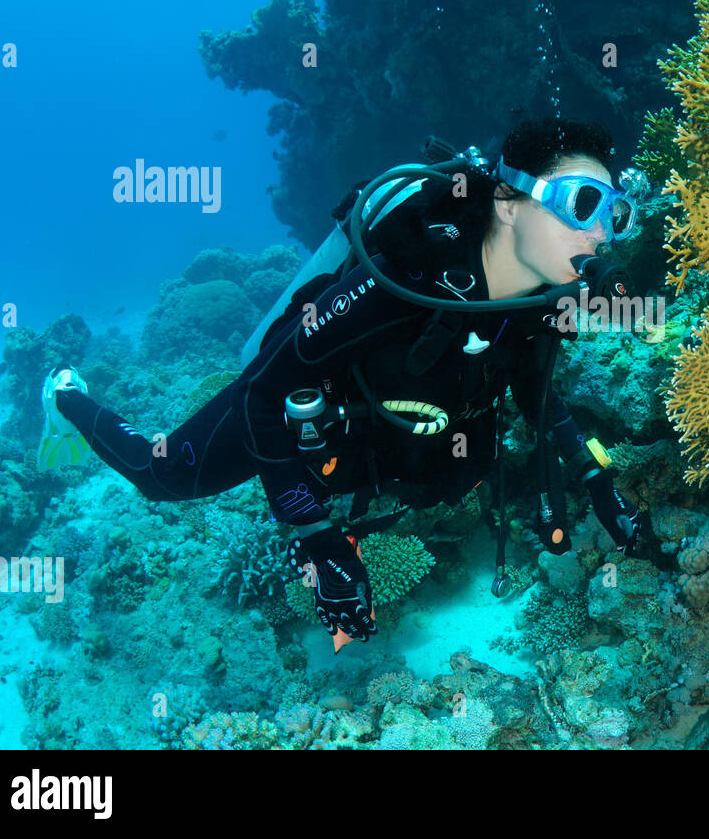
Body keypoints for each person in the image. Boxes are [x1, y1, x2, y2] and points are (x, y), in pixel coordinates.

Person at [37, 117, 650, 648]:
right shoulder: (397, 284)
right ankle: (64, 396)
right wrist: (313, 534)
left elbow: (540, 397)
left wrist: (597, 478)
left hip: (372, 451)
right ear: (508, 203)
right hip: (297, 423)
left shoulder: (538, 307)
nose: (600, 235)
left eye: (614, 215)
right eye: (582, 204)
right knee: (162, 475)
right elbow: (260, 392)